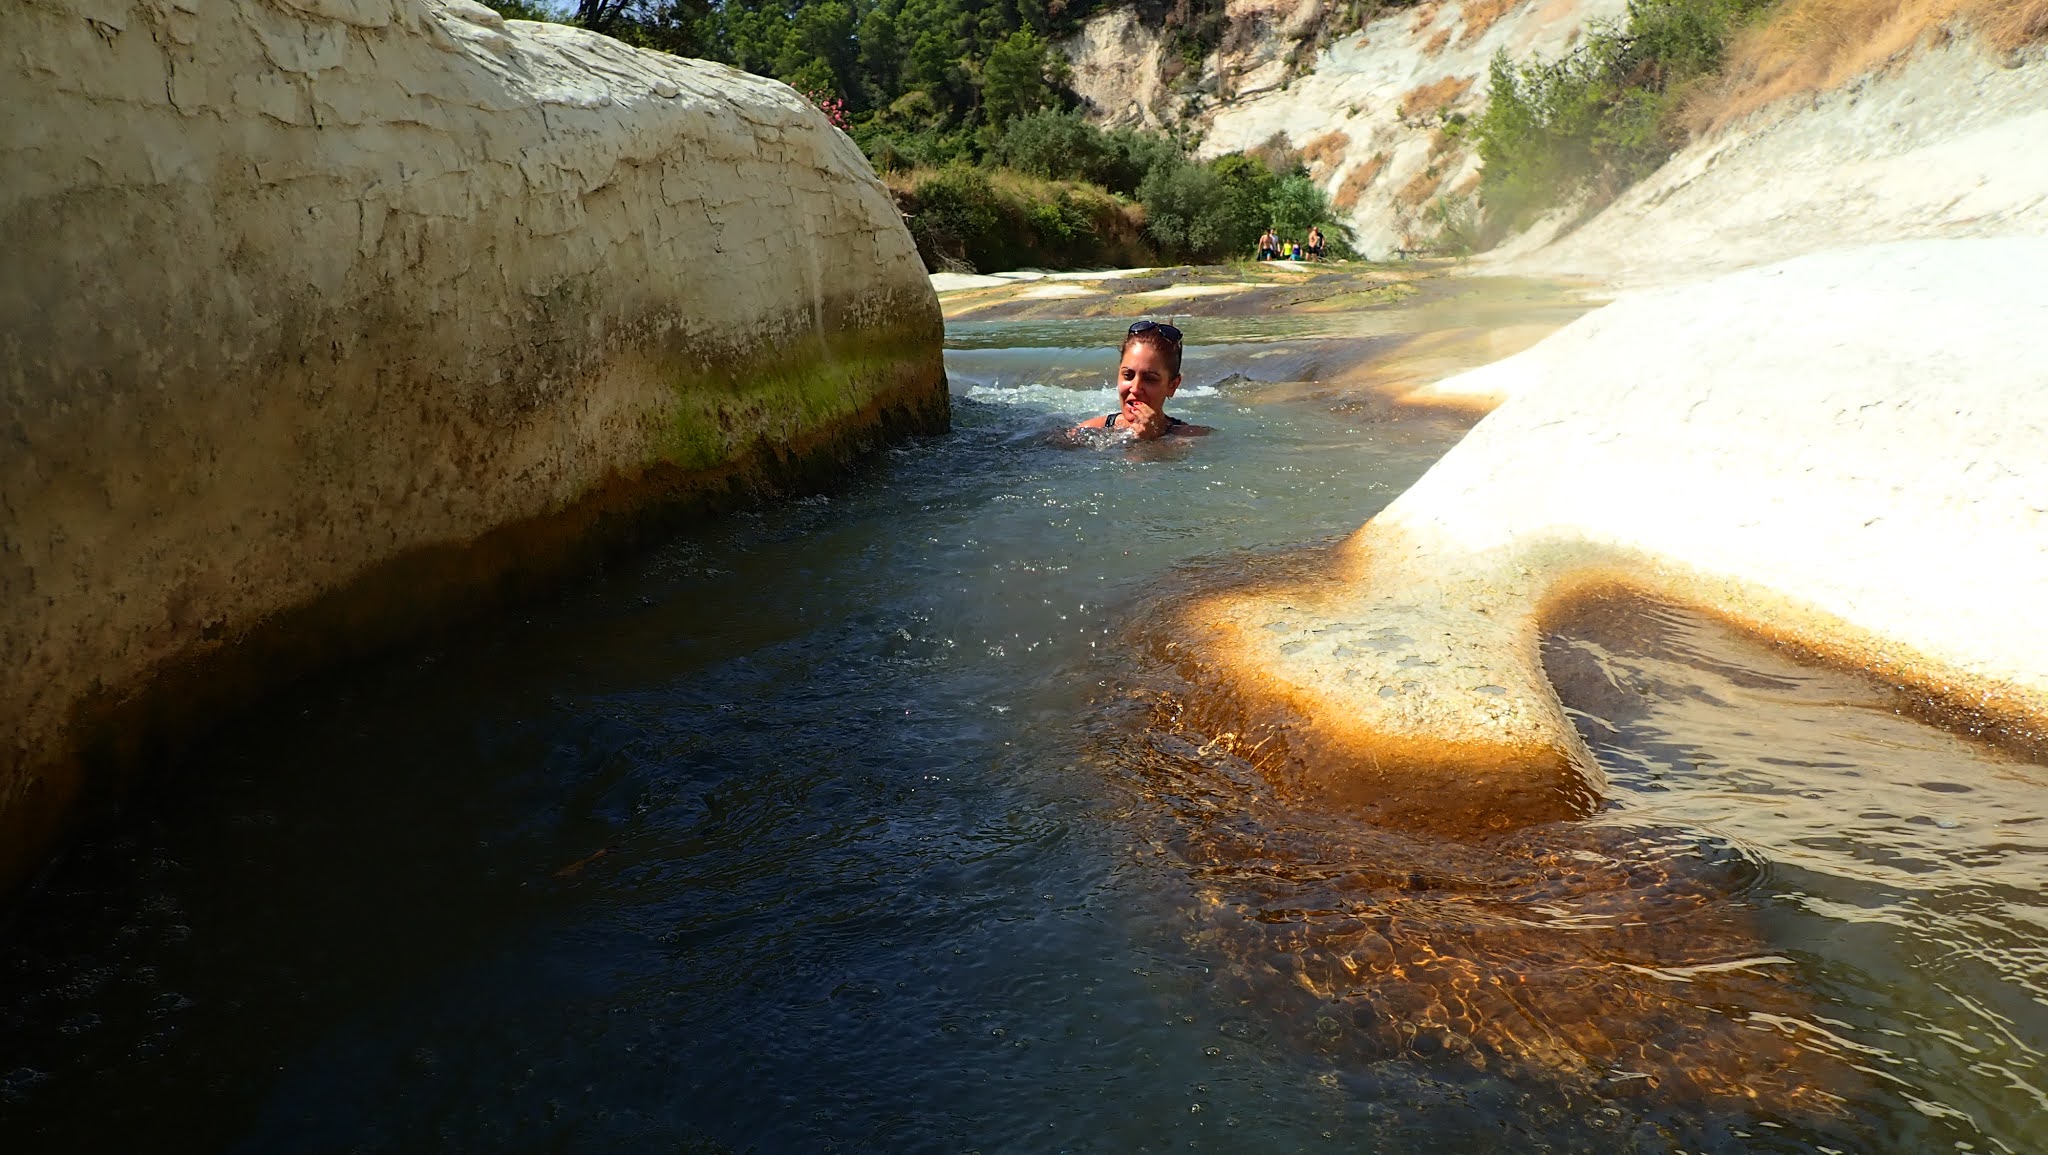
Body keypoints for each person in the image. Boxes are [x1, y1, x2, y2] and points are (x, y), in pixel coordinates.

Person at [1071, 320, 1212, 441]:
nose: (1135, 388)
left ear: (1172, 386)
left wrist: (1149, 442)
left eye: (1150, 379)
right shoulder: (1087, 431)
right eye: (1128, 375)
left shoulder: (1192, 439)